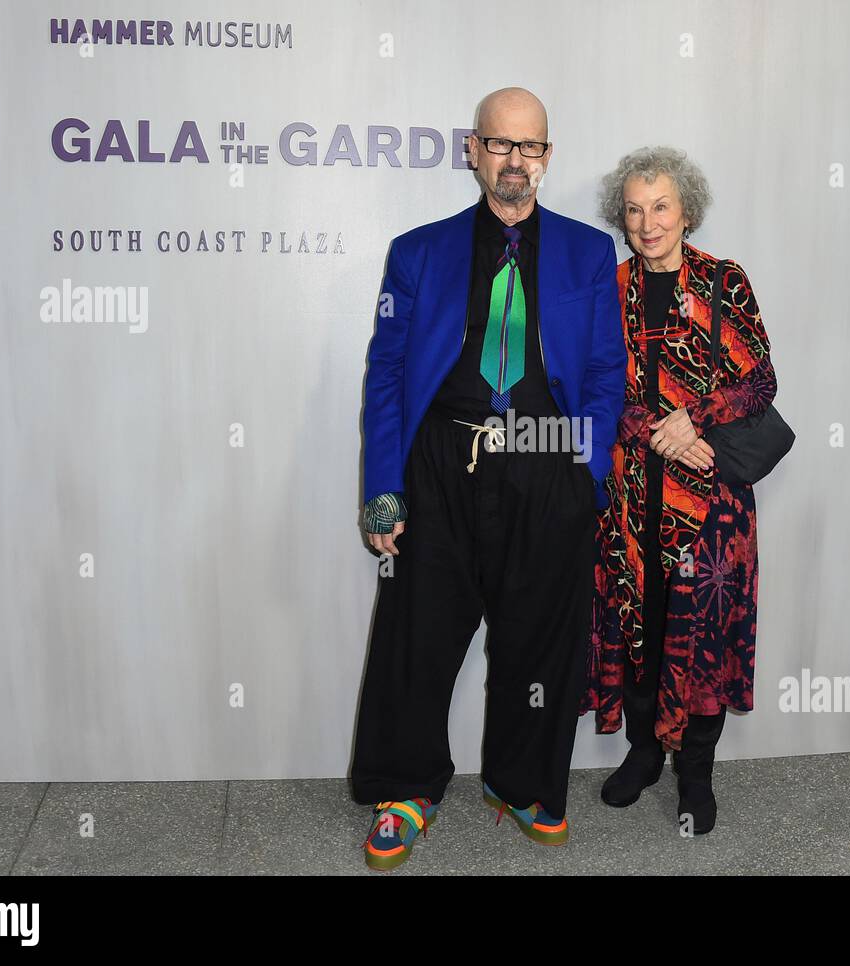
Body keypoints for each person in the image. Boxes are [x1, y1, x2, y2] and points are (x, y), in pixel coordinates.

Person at [351, 87, 626, 870]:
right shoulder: (418, 251)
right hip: (442, 459)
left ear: (547, 157)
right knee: (419, 635)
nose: (516, 161)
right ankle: (405, 788)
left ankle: (522, 782)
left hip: (548, 460)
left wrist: (589, 474)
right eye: (501, 145)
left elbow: (606, 370)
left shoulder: (584, 251)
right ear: (473, 150)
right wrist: (383, 487)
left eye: (531, 147)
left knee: (540, 638)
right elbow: (386, 377)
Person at [581, 146, 777, 835]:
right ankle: (642, 754)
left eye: (660, 205)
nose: (647, 221)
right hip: (634, 499)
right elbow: (594, 387)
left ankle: (696, 772)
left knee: (702, 642)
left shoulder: (725, 282)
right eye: (634, 209)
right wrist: (654, 427)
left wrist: (692, 418)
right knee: (641, 630)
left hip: (713, 507)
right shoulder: (609, 288)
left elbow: (760, 383)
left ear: (685, 210)